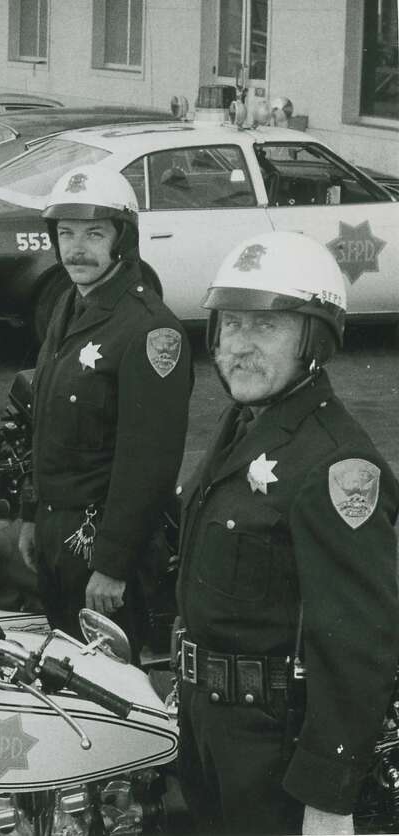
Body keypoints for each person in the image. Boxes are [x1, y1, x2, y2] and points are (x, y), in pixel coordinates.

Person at [176, 230, 399, 835]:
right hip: (209, 724)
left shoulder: (335, 467)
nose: (238, 348)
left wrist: (330, 795)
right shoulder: (246, 423)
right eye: (230, 325)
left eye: (266, 328)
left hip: (273, 747)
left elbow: (356, 645)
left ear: (314, 345)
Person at [17, 164, 192, 654]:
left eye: (94, 233)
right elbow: (45, 425)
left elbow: (150, 463)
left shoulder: (150, 331)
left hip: (105, 549)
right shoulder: (69, 306)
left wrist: (113, 563)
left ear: (123, 240)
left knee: (110, 689)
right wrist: (33, 514)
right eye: (66, 233)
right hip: (57, 533)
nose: (76, 247)